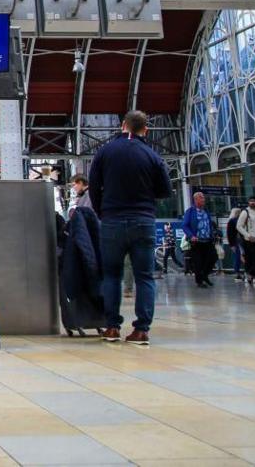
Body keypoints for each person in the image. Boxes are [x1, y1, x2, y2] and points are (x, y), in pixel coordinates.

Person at [89, 110, 172, 346]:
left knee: (111, 275)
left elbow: (94, 186)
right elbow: (165, 191)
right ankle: (142, 330)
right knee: (144, 276)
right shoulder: (151, 155)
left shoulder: (104, 152)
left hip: (112, 220)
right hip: (143, 220)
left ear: (123, 125)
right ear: (145, 130)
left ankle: (112, 327)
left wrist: (102, 211)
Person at [182, 192, 217, 288]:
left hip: (208, 240)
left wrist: (212, 234)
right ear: (196, 199)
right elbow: (185, 225)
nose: (203, 200)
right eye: (201, 198)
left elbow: (209, 224)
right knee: (198, 262)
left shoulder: (206, 210)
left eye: (203, 198)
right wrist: (191, 235)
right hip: (196, 241)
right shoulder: (190, 211)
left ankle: (204, 275)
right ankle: (199, 281)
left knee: (213, 257)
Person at [227, 207, 243, 281]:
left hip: (237, 241)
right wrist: (232, 244)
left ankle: (238, 272)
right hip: (238, 241)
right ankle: (238, 272)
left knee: (238, 257)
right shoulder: (233, 221)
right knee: (238, 257)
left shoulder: (232, 221)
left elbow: (229, 234)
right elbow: (230, 234)